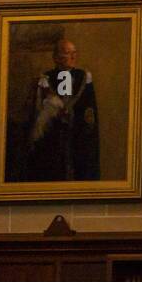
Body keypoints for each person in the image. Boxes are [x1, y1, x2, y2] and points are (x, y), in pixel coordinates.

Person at [24, 37, 100, 181]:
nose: (72, 56)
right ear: (56, 57)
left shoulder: (84, 76)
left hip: (77, 134)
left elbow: (89, 111)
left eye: (74, 52)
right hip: (53, 137)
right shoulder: (46, 78)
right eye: (67, 52)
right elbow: (38, 114)